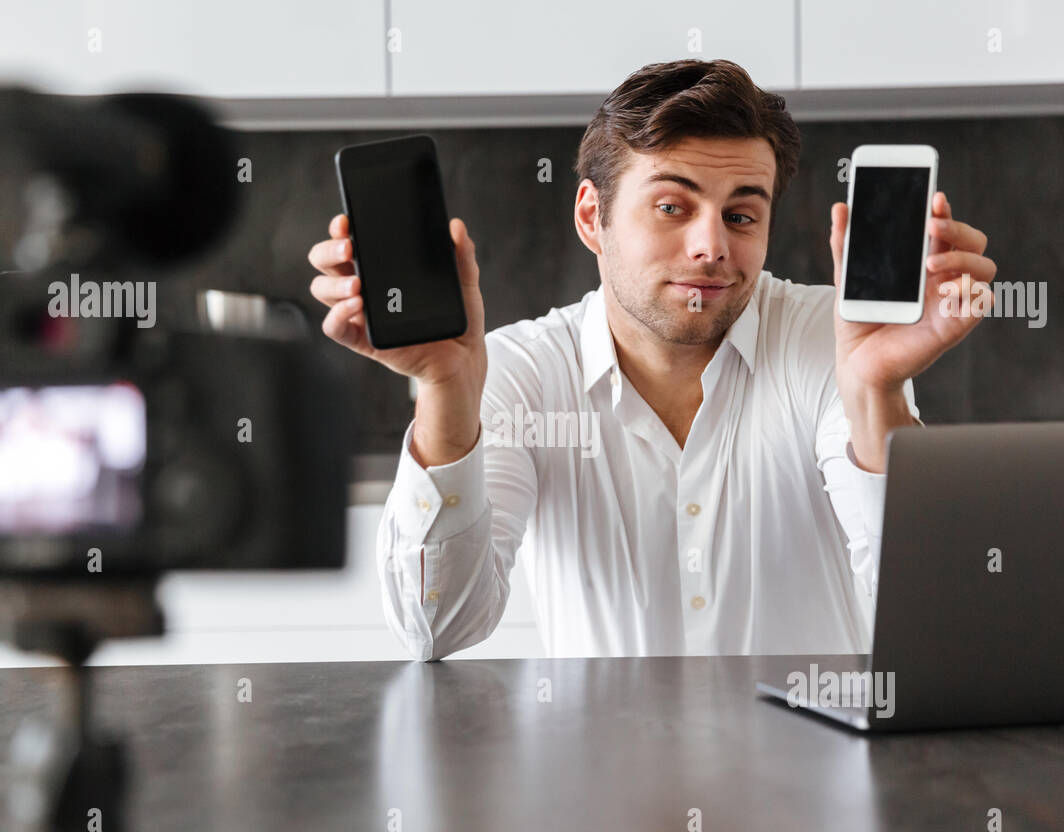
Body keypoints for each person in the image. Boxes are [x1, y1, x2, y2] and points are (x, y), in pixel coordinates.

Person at [309, 59, 995, 661]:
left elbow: (928, 613)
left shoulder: (830, 338)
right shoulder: (520, 371)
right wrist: (445, 393)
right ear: (591, 217)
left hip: (818, 788)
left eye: (741, 215)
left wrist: (876, 392)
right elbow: (437, 629)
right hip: (601, 793)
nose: (711, 246)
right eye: (672, 206)